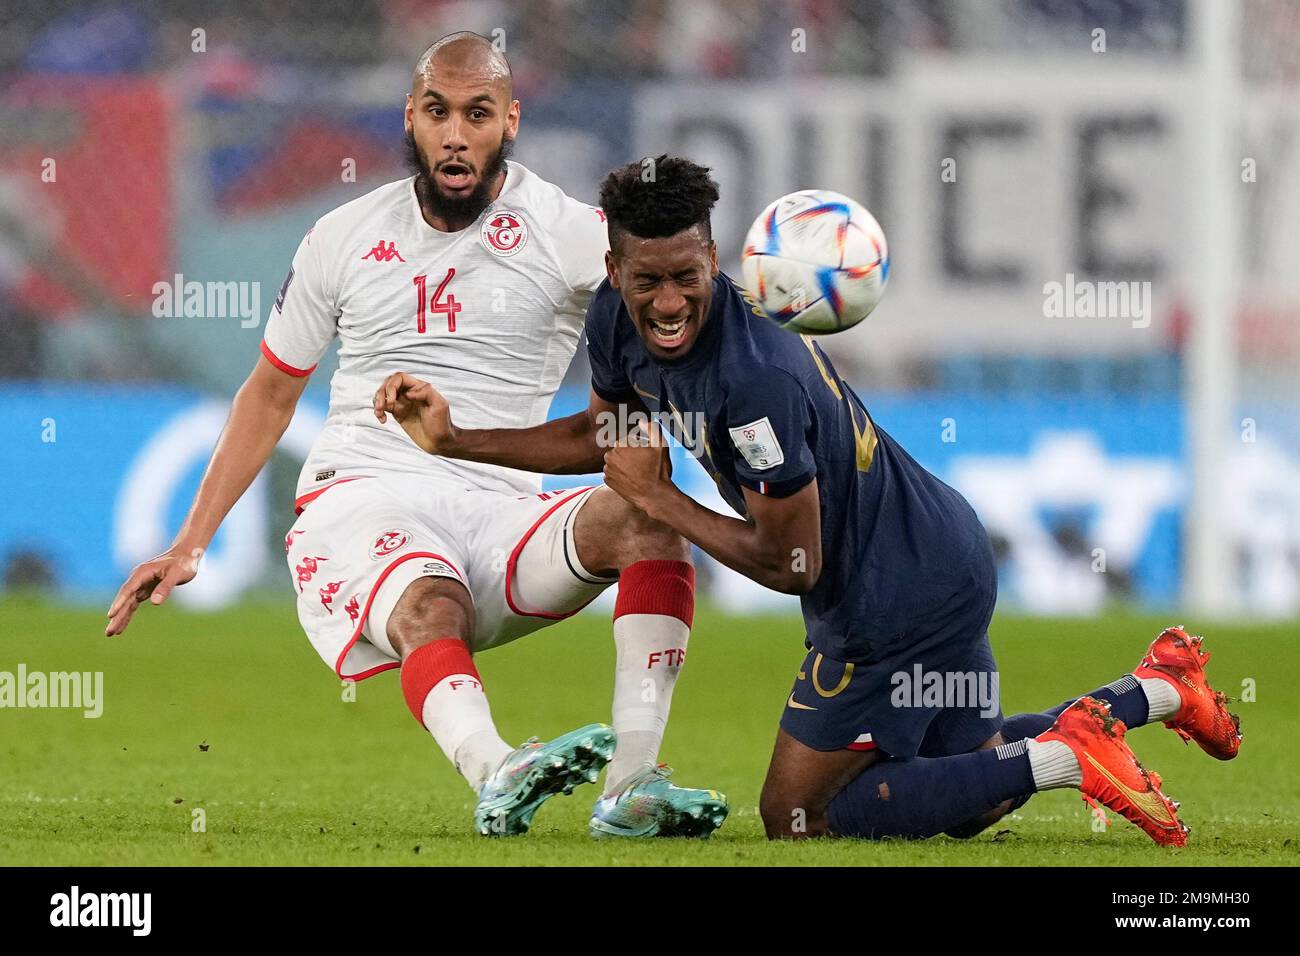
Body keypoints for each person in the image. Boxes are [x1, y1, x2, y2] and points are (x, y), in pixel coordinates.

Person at [376, 155, 1241, 845]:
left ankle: (1062, 757)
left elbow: (793, 563)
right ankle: (1156, 690)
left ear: (713, 258)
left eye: (687, 276)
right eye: (647, 282)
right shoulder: (613, 319)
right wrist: (457, 439)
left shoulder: (753, 380)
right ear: (615, 269)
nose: (669, 302)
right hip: (938, 551)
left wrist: (664, 501)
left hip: (887, 597)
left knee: (799, 816)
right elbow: (604, 436)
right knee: (967, 783)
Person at [105, 40, 726, 840]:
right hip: (359, 500)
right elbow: (269, 393)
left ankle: (632, 786)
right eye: (438, 112)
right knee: (431, 601)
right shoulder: (343, 235)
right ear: (411, 117)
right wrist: (190, 542)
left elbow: (677, 297)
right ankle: (497, 770)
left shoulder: (573, 234)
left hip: (501, 515)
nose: (456, 135)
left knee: (651, 514)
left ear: (511, 121)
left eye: (477, 114)